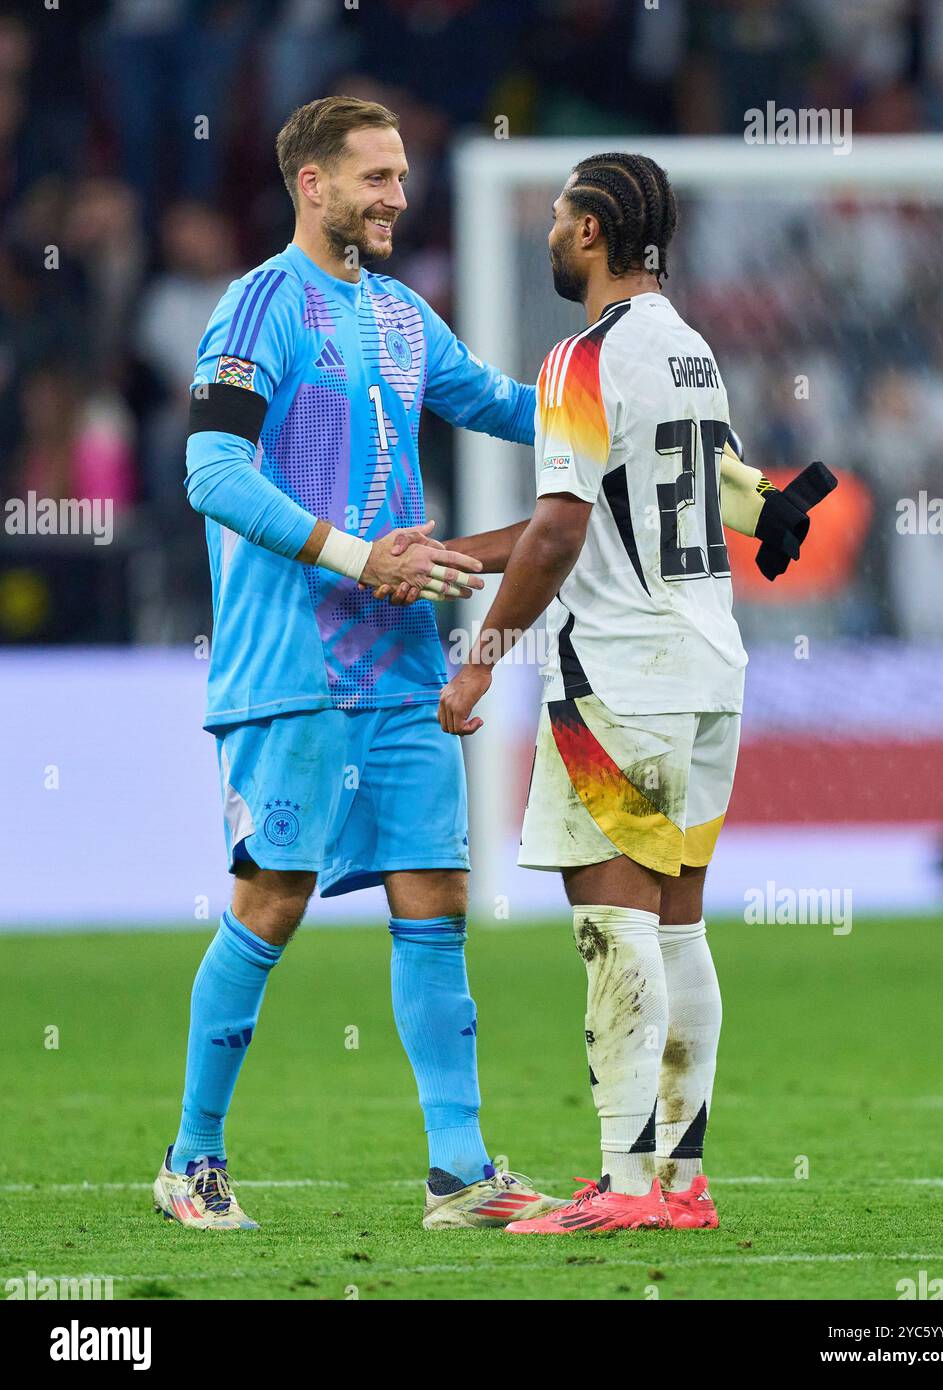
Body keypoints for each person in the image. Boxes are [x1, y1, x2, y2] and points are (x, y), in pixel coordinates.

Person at [152, 95, 561, 1232]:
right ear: (313, 185)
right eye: (376, 177)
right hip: (290, 664)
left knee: (435, 898)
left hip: (398, 667)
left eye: (401, 176)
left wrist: (614, 408)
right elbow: (213, 472)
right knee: (271, 897)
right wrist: (353, 555)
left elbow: (498, 404)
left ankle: (461, 1171)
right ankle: (191, 1157)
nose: (398, 196)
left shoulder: (397, 314)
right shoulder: (259, 305)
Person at [438, 151, 828, 1234]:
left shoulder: (581, 356)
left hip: (620, 671)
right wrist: (463, 556)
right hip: (710, 665)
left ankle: (623, 1186)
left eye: (563, 217)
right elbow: (648, 505)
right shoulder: (692, 350)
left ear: (597, 230)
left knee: (614, 924)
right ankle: (682, 1183)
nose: (551, 232)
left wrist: (479, 659)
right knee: (678, 927)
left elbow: (565, 527)